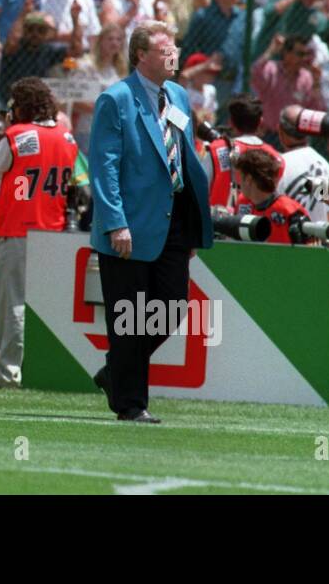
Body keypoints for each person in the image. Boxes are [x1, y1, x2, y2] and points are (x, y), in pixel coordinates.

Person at [88, 21, 213, 423]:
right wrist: (114, 222)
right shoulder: (115, 99)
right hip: (130, 222)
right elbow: (104, 165)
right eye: (165, 49)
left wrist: (193, 221)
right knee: (129, 315)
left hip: (173, 220)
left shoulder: (176, 95)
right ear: (141, 55)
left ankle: (116, 372)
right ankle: (131, 404)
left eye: (175, 47)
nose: (174, 54)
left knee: (172, 309)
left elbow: (185, 157)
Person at [0, 77, 80, 390]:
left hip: (20, 229)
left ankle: (10, 374)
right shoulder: (67, 136)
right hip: (54, 231)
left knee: (14, 305)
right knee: (47, 305)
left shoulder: (18, 134)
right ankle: (45, 369)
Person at [230, 148, 310, 244]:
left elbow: (309, 250)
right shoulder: (242, 203)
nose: (238, 182)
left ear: (248, 179)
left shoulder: (289, 210)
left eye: (240, 176)